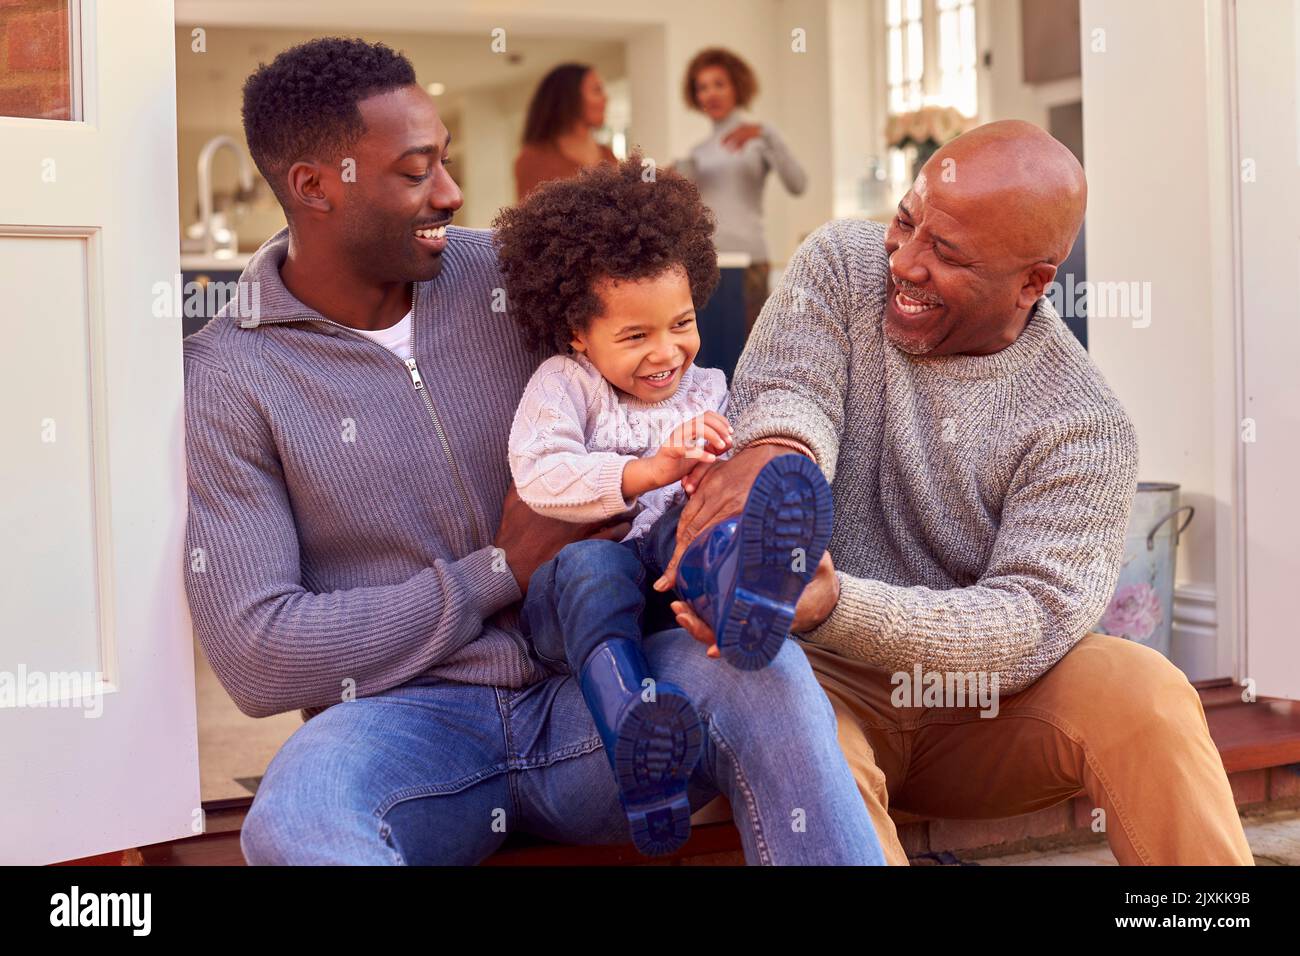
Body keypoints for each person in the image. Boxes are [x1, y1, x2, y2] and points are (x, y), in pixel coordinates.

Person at [183, 37, 884, 865]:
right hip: (405, 725)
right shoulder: (231, 373)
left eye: (444, 160)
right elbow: (260, 653)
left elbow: (668, 375)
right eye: (415, 172)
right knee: (294, 822)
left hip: (608, 697)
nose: (451, 193)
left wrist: (733, 478)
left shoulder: (511, 276)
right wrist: (497, 571)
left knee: (770, 678)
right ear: (313, 187)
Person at [659, 120, 1255, 866]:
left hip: (979, 711)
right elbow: (790, 388)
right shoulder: (842, 265)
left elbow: (1029, 622)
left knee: (1145, 688)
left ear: (1033, 283)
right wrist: (779, 455)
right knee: (798, 730)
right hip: (819, 678)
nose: (904, 263)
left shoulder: (1085, 424)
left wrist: (838, 605)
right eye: (906, 223)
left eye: (946, 253)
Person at [495, 158, 840, 856]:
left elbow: (708, 485)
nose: (666, 353)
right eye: (635, 336)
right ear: (577, 332)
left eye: (681, 323)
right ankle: (633, 720)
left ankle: (744, 590)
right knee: (594, 566)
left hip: (663, 574)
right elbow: (538, 473)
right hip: (575, 597)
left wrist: (714, 475)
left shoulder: (707, 388)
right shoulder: (567, 383)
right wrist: (647, 472)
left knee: (703, 523)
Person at [679, 47, 806, 333]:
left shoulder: (758, 138)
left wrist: (767, 134)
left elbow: (798, 184)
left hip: (749, 262)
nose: (711, 94)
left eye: (719, 84)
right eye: (702, 87)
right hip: (705, 263)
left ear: (737, 86)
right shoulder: (697, 153)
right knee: (709, 349)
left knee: (749, 347)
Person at [514, 63, 617, 201]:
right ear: (571, 97)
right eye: (597, 90)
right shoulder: (533, 159)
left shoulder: (608, 154)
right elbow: (528, 212)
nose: (606, 98)